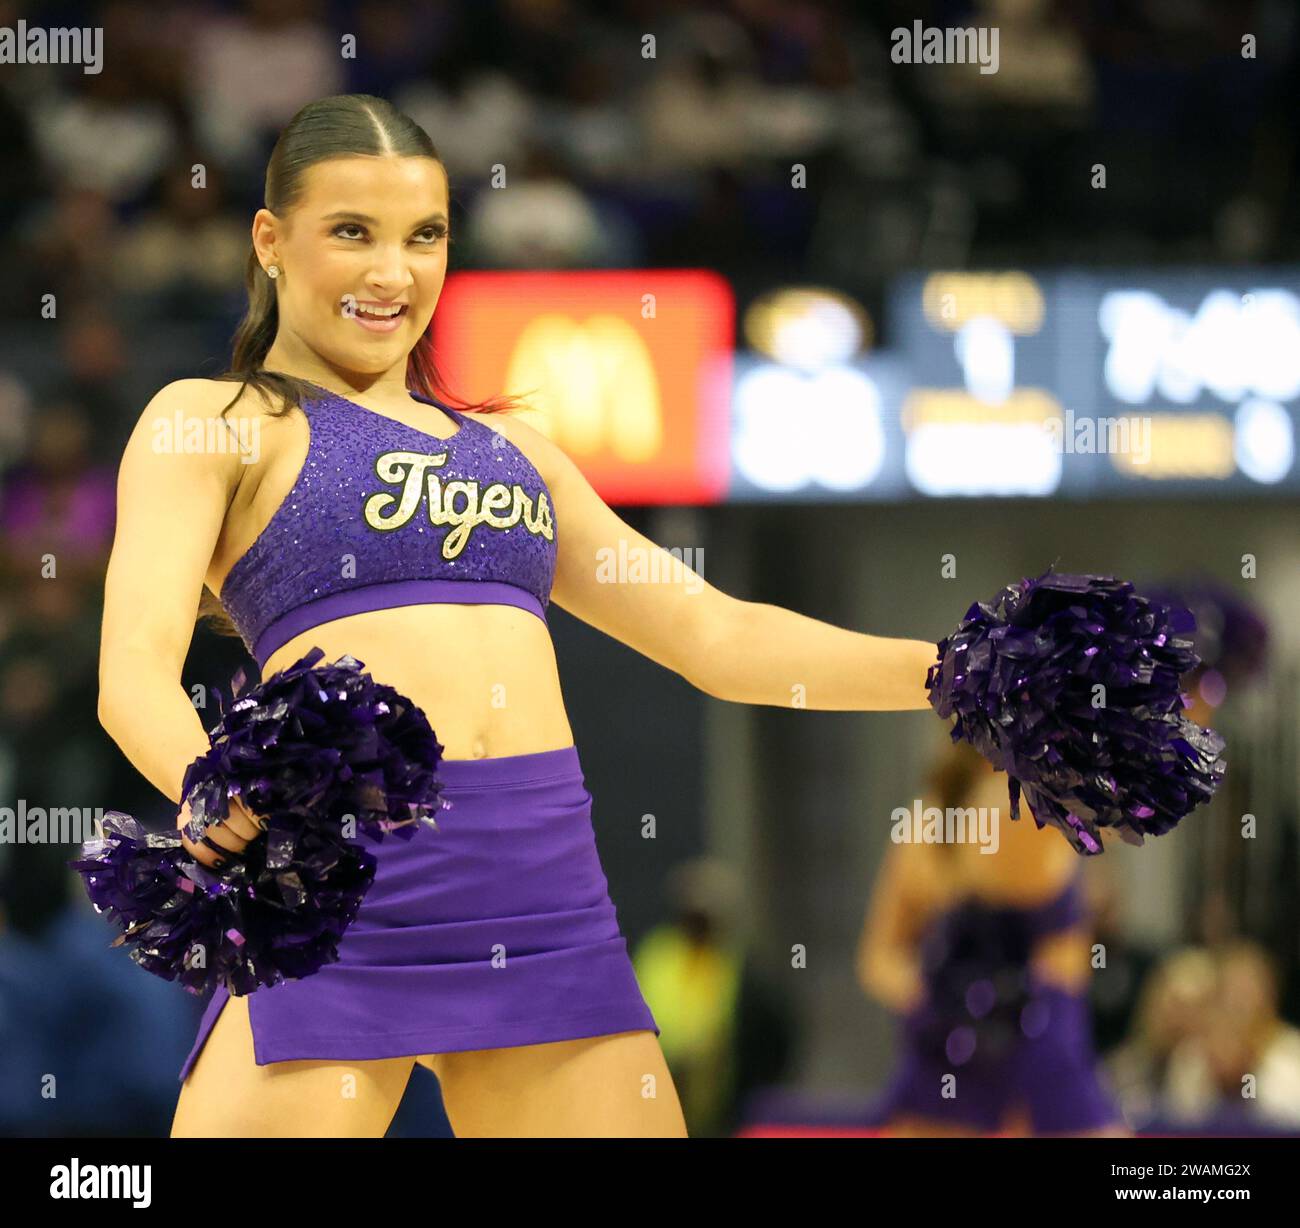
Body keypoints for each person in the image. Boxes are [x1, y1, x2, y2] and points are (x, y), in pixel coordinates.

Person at [96, 94, 939, 1139]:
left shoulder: (517, 449)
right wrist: (208, 789)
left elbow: (717, 638)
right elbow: (132, 667)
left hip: (540, 897)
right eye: (350, 232)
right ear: (270, 240)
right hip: (340, 893)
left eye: (424, 236)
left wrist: (956, 674)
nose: (391, 273)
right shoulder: (212, 420)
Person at [857, 739, 1126, 1136]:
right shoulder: (927, 824)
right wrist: (933, 996)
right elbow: (877, 958)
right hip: (951, 1047)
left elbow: (1075, 956)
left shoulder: (1059, 799)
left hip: (1046, 1039)